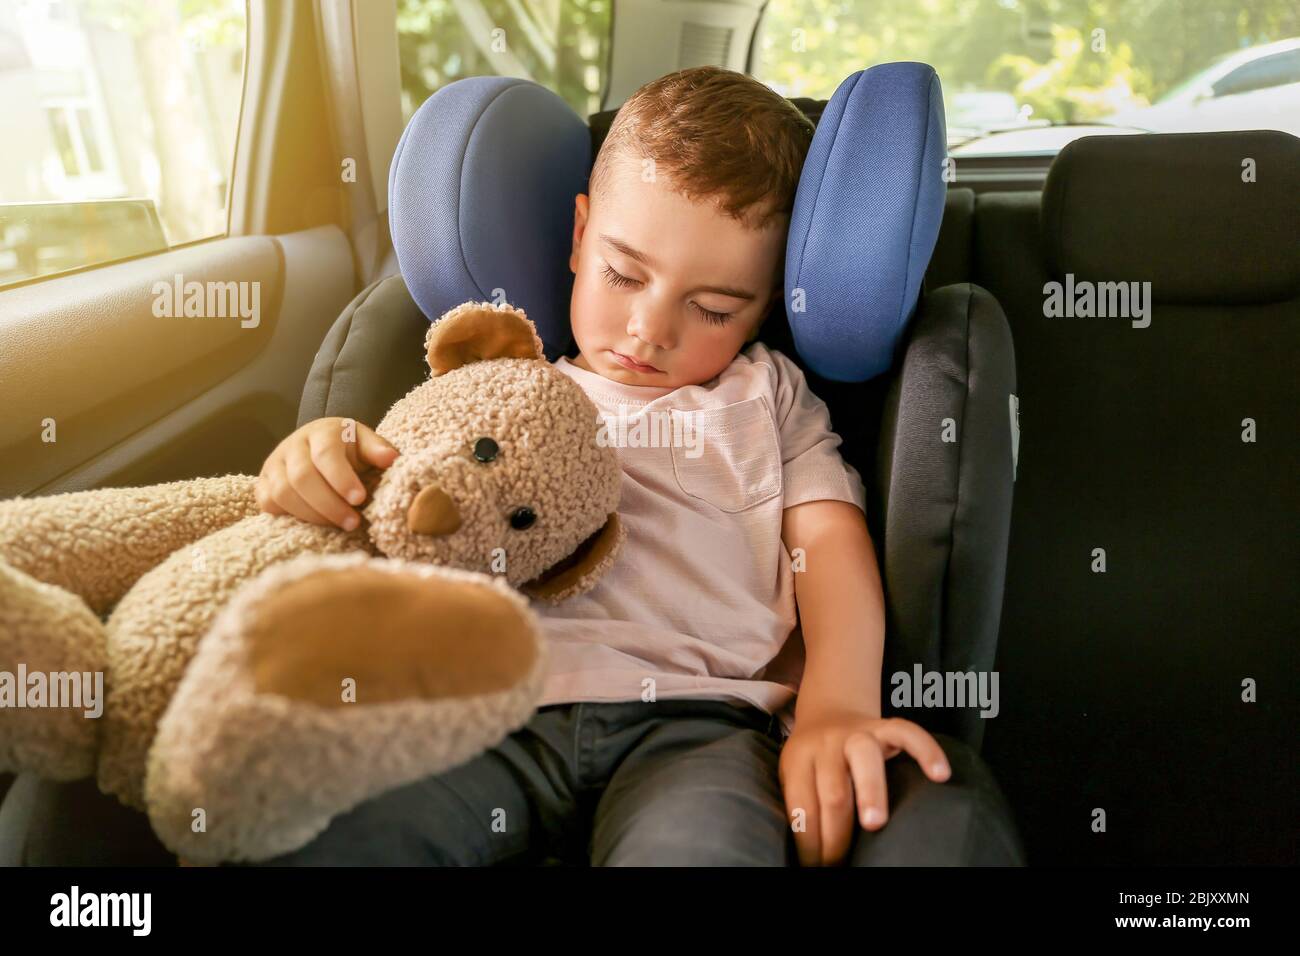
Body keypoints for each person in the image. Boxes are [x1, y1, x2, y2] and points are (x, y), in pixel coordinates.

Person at [250, 66, 957, 867]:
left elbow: (827, 547)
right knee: (341, 837)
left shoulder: (769, 396)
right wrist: (324, 451)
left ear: (766, 305)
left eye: (715, 307)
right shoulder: (502, 382)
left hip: (700, 728)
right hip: (489, 709)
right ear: (580, 236)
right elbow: (402, 484)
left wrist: (836, 705)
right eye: (624, 274)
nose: (649, 330)